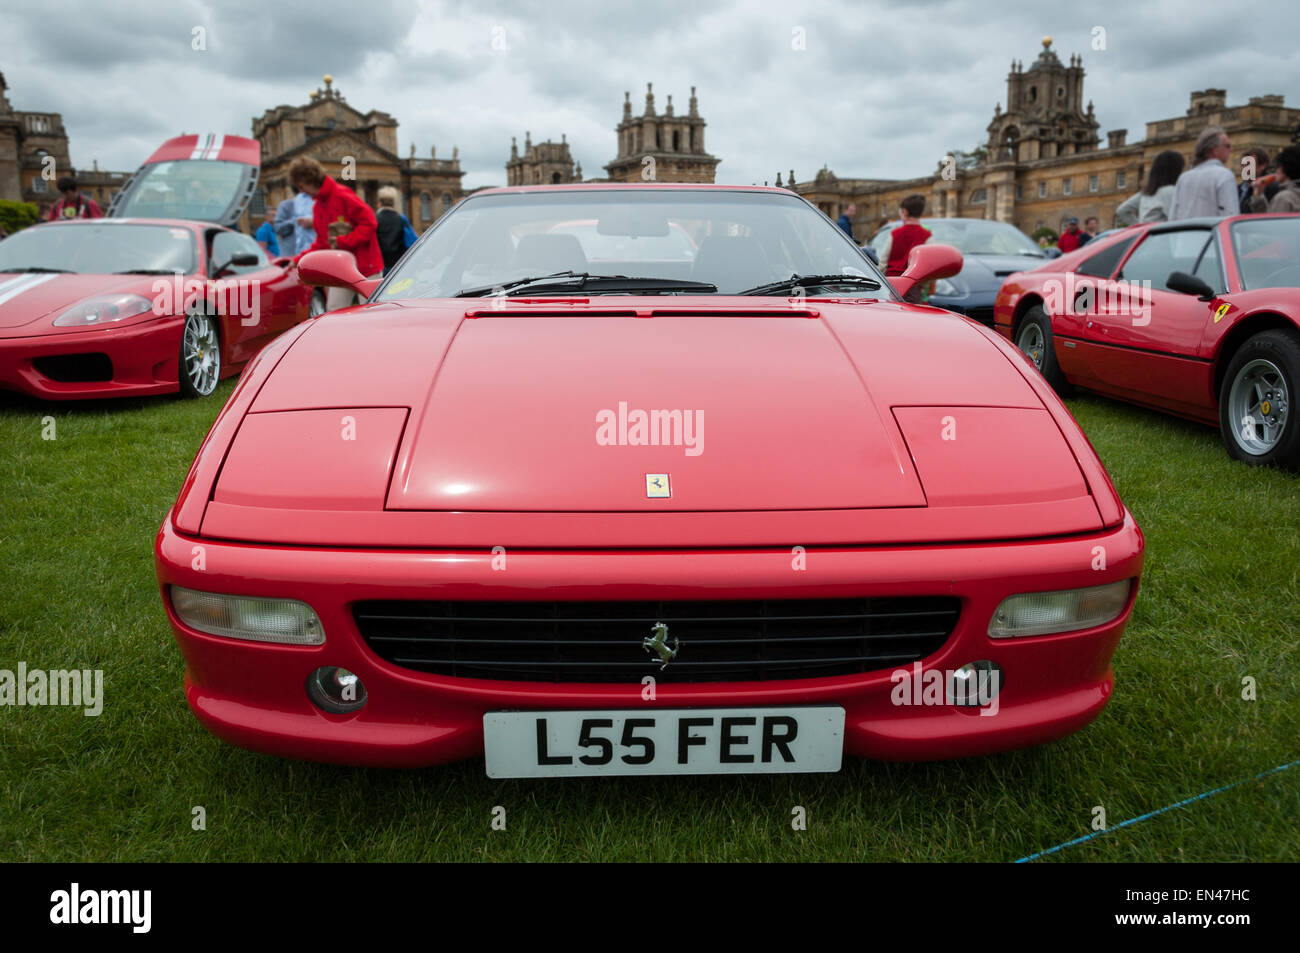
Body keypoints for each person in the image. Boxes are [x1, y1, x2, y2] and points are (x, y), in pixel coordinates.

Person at [288, 156, 382, 311]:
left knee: (372, 313)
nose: (301, 191)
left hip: (366, 268)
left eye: (301, 186)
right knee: (334, 311)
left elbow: (370, 223)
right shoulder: (318, 206)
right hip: (342, 271)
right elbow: (322, 242)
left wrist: (343, 241)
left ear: (309, 179)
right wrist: (298, 260)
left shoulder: (343, 195)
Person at [1169, 127, 1238, 219]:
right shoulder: (1224, 175)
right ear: (1214, 150)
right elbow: (1230, 214)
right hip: (1212, 232)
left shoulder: (1183, 178)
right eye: (1227, 146)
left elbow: (1173, 216)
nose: (1231, 150)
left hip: (1185, 232)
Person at [1114, 150, 1185, 226]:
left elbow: (1121, 210)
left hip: (1148, 235)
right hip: (1162, 235)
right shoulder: (1170, 191)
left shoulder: (1146, 192)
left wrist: (1140, 226)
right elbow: (1175, 220)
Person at [374, 185, 420, 275]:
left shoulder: (375, 219)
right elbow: (412, 241)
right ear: (393, 203)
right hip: (398, 266)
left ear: (379, 203)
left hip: (380, 265)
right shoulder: (401, 219)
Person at [884, 194, 931, 277]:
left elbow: (883, 262)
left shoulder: (895, 234)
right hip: (914, 282)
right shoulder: (927, 236)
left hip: (892, 281)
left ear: (905, 211)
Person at [1249, 145, 1300, 213]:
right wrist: (1258, 196)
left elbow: (1270, 222)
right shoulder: (1294, 194)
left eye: (1278, 166)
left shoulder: (1283, 198)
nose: (1276, 170)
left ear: (1286, 168)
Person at [1238, 147, 1271, 213]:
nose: (1243, 169)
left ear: (1263, 165)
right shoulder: (1238, 188)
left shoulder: (1271, 187)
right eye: (1242, 165)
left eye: (1248, 164)